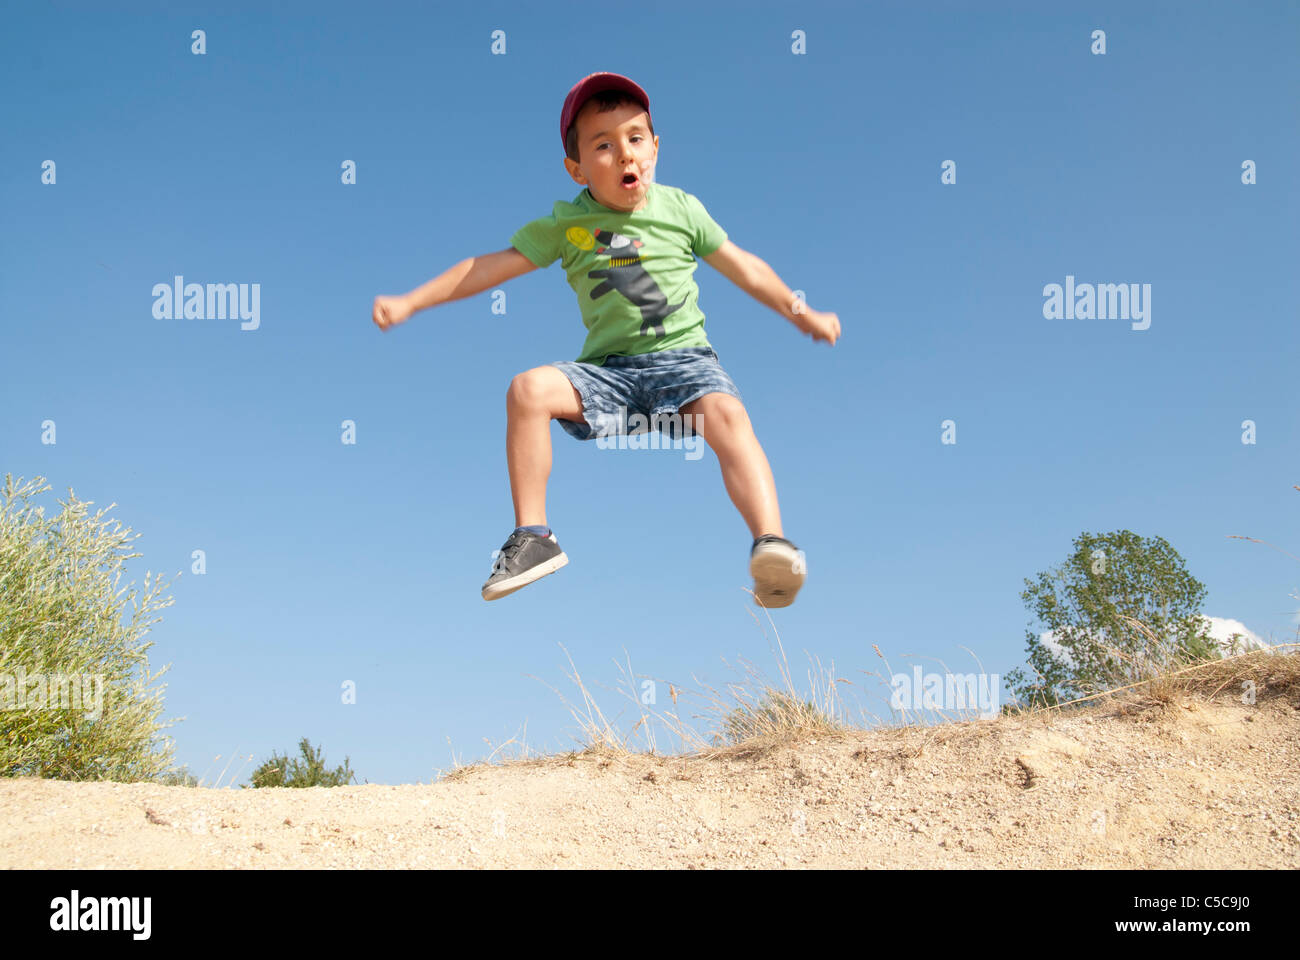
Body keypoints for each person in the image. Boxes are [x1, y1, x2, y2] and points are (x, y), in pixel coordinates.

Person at [372, 72, 840, 607]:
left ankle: (771, 544)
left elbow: (746, 269)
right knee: (527, 389)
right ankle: (534, 539)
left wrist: (802, 312)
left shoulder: (681, 209)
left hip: (683, 364)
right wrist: (412, 300)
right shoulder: (568, 224)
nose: (625, 156)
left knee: (727, 414)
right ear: (576, 168)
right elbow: (487, 268)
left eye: (636, 139)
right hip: (609, 376)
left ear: (656, 147)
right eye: (603, 146)